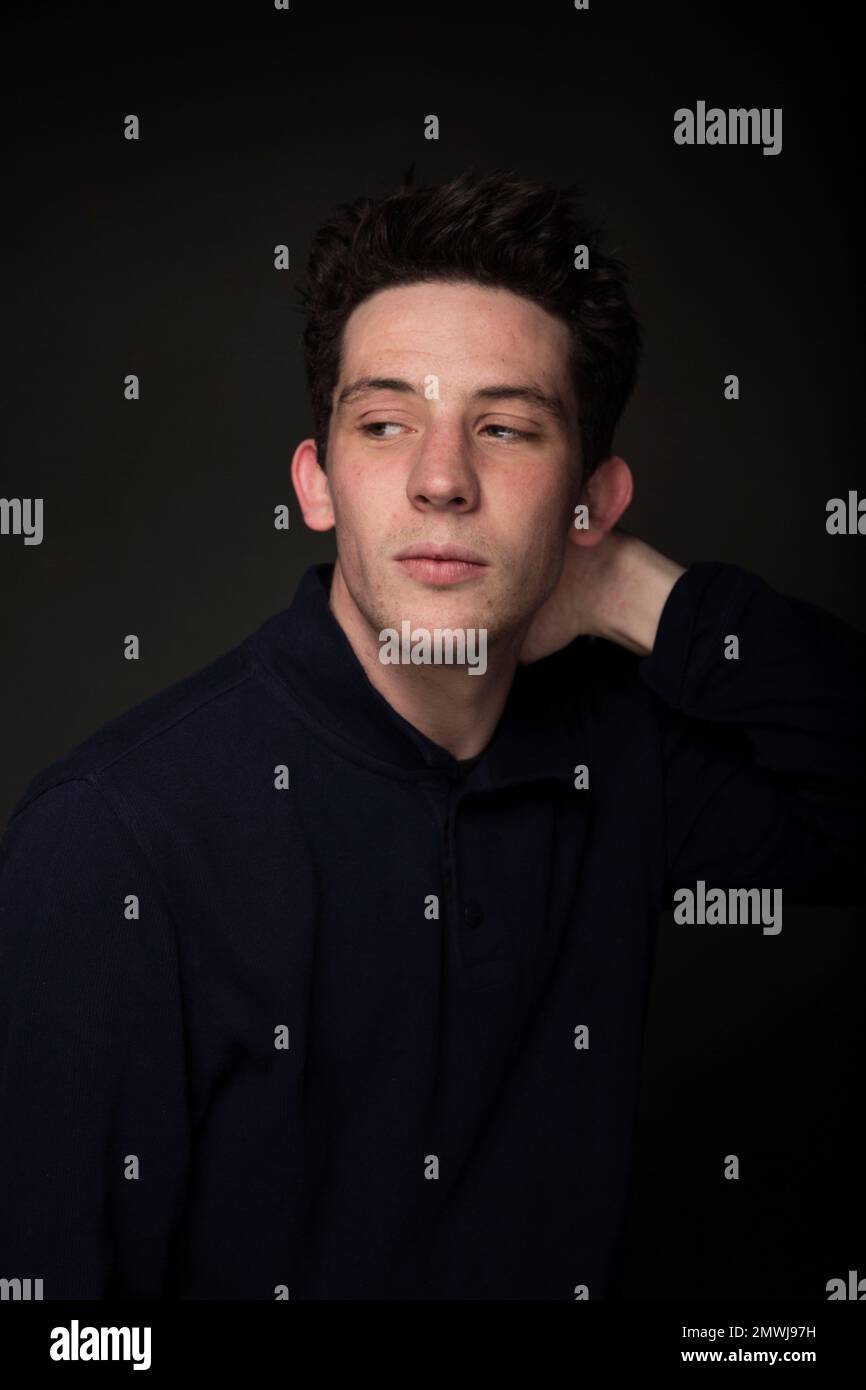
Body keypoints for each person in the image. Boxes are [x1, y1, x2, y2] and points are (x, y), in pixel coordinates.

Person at [0, 168, 862, 1300]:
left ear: (589, 500)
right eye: (385, 422)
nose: (440, 479)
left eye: (503, 428)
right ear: (318, 483)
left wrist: (642, 596)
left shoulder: (625, 756)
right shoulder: (111, 841)